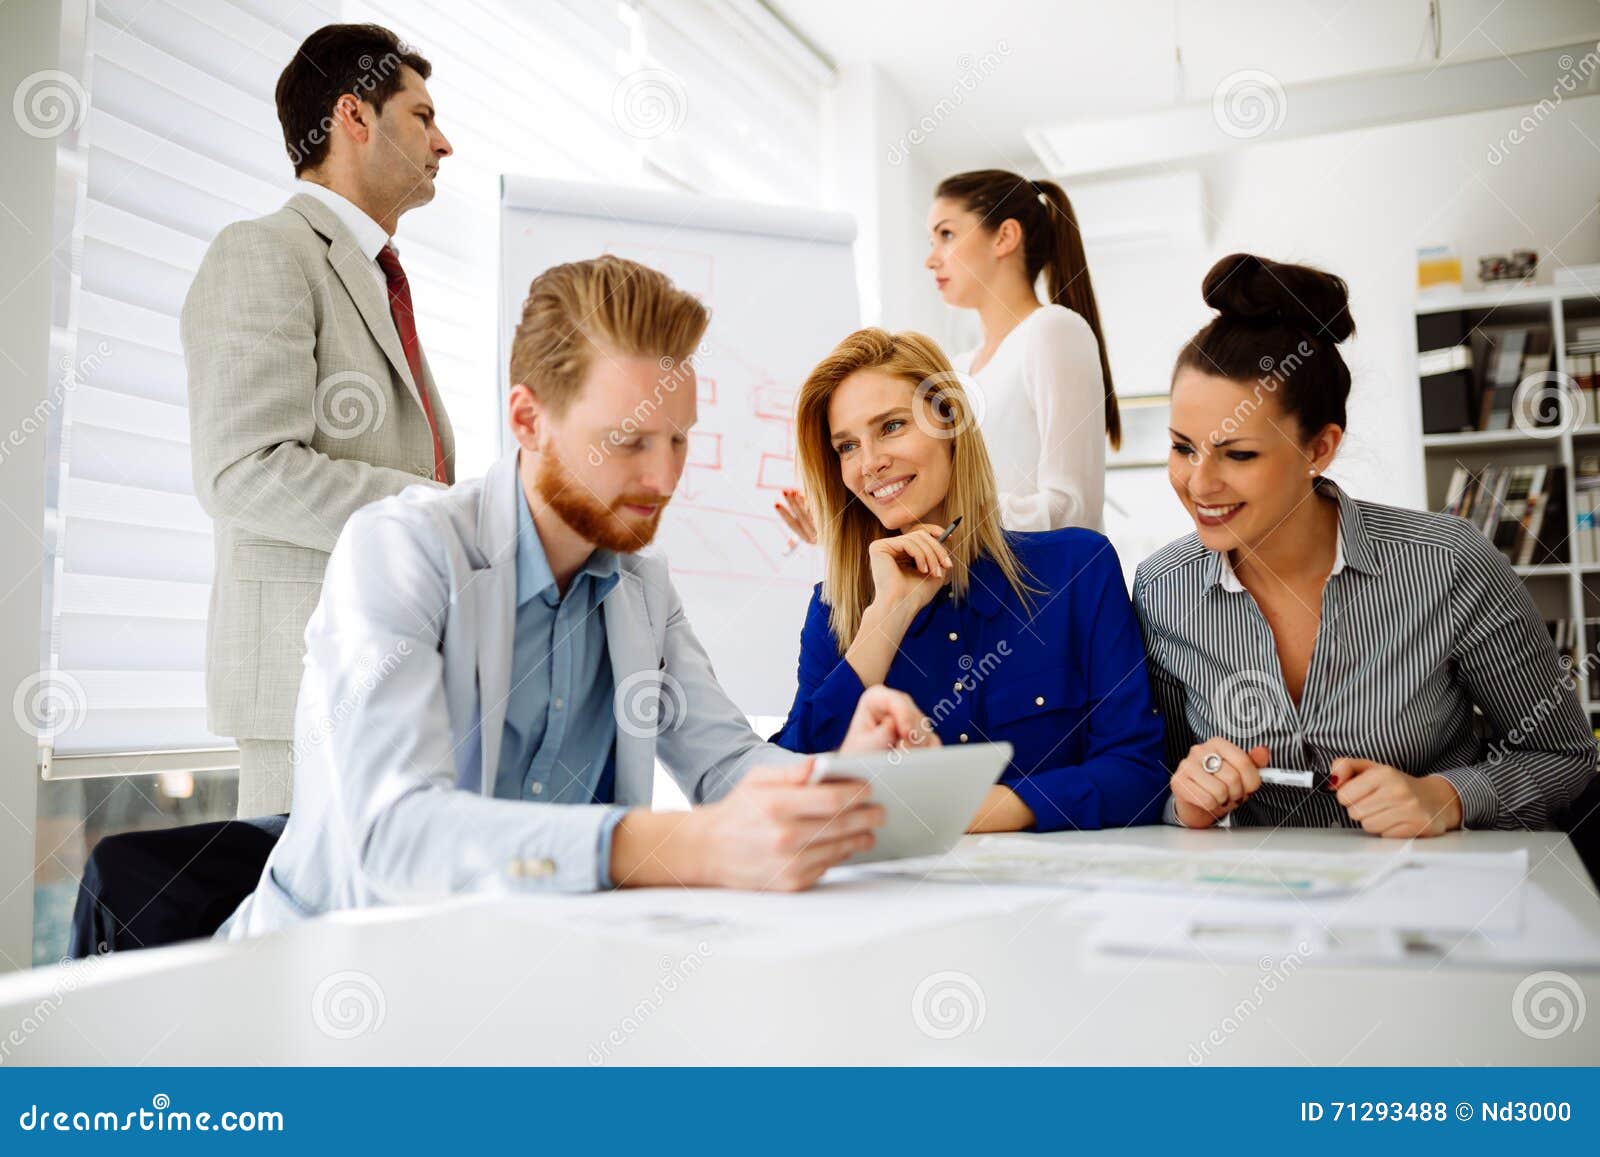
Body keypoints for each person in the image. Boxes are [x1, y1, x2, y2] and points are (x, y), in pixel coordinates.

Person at [218, 257, 932, 938]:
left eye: (678, 439)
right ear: (528, 420)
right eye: (628, 440)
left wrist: (841, 777)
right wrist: (674, 845)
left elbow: (723, 768)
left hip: (537, 968)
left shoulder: (642, 587)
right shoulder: (401, 550)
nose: (662, 477)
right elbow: (395, 836)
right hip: (333, 980)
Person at [1135, 253, 1597, 834]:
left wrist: (1446, 797)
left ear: (1319, 449)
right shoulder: (1161, 590)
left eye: (1239, 454)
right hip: (1258, 906)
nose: (1199, 483)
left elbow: (1563, 757)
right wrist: (1190, 801)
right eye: (1183, 447)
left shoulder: (1449, 564)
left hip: (1428, 899)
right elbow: (1160, 778)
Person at [182, 24, 457, 817]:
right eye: (423, 116)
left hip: (395, 682)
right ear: (354, 117)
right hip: (307, 694)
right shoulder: (263, 252)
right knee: (311, 935)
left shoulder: (375, 277)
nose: (445, 143)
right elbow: (244, 469)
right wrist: (439, 513)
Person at [769, 328, 1168, 833]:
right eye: (847, 446)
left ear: (951, 421)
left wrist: (957, 811)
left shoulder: (1078, 570)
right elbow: (790, 787)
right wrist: (885, 620)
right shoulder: (835, 612)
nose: (868, 464)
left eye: (891, 426)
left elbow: (1137, 776)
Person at [776, 169, 1119, 544]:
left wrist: (946, 520)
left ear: (1004, 237)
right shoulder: (956, 368)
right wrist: (843, 524)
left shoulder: (1052, 331)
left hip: (1043, 586)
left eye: (947, 235)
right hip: (969, 585)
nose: (931, 259)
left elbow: (1073, 509)